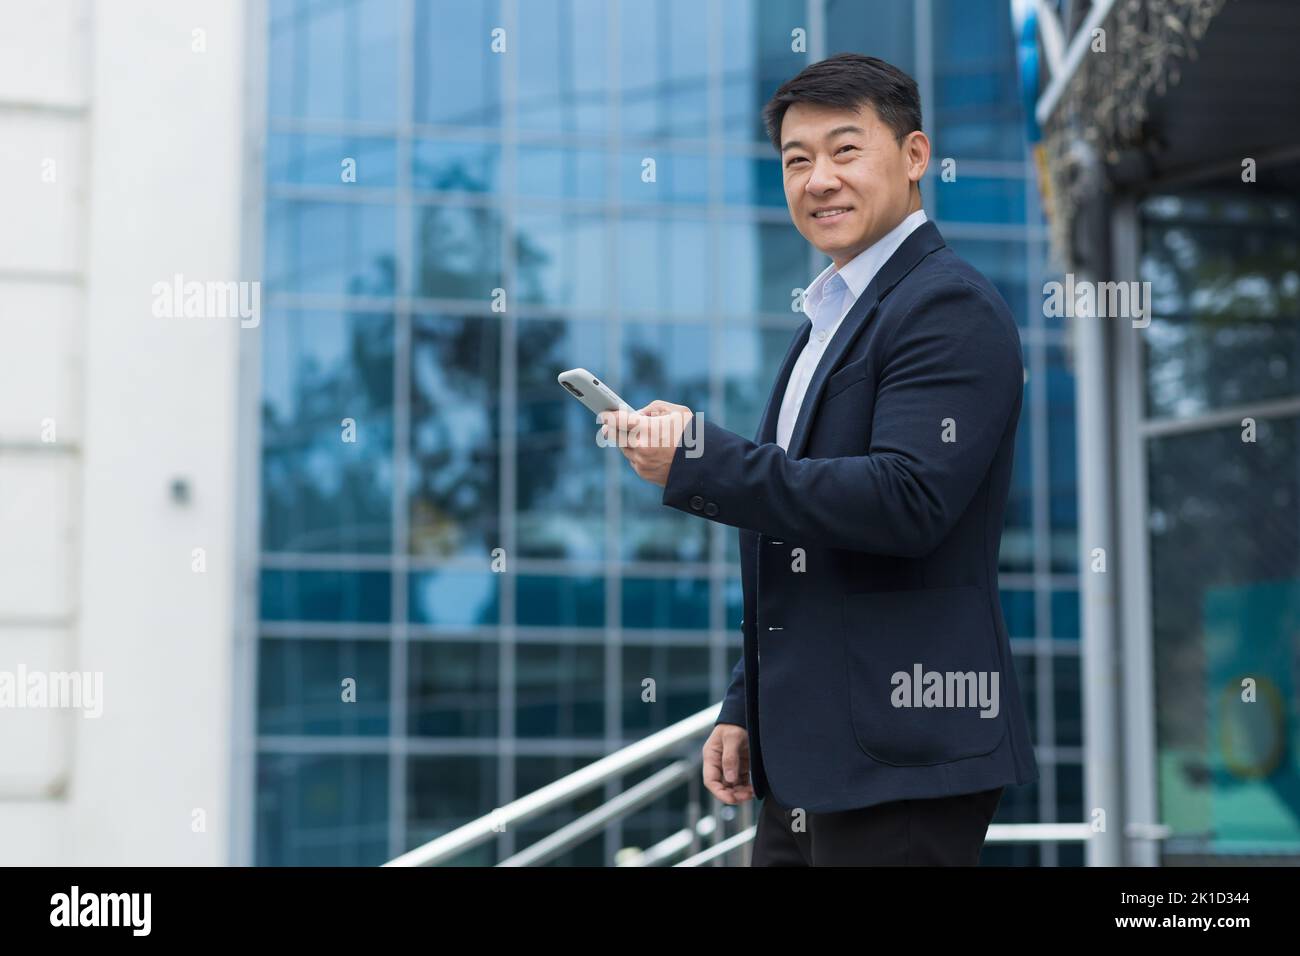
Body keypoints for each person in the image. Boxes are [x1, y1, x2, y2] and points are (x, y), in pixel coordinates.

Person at [599, 53, 1038, 866]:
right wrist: (746, 702)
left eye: (845, 150)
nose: (818, 179)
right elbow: (803, 548)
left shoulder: (946, 305)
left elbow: (905, 501)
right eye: (797, 160)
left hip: (903, 757)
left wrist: (701, 461)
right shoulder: (826, 320)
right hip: (816, 755)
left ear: (913, 157)